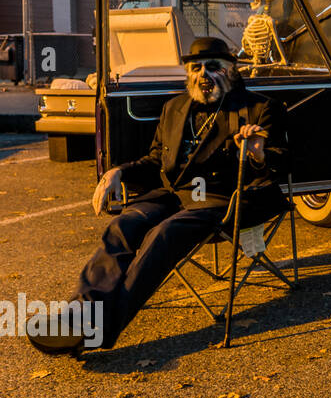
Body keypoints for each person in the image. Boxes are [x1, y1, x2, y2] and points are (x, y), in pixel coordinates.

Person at [28, 37, 287, 356]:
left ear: (231, 71)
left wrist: (258, 152)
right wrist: (119, 172)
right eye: (195, 68)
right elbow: (155, 160)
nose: (203, 75)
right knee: (122, 226)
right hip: (172, 193)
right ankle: (78, 314)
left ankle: (98, 330)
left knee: (164, 233)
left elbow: (281, 162)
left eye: (212, 67)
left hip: (222, 196)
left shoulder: (259, 108)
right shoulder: (175, 108)